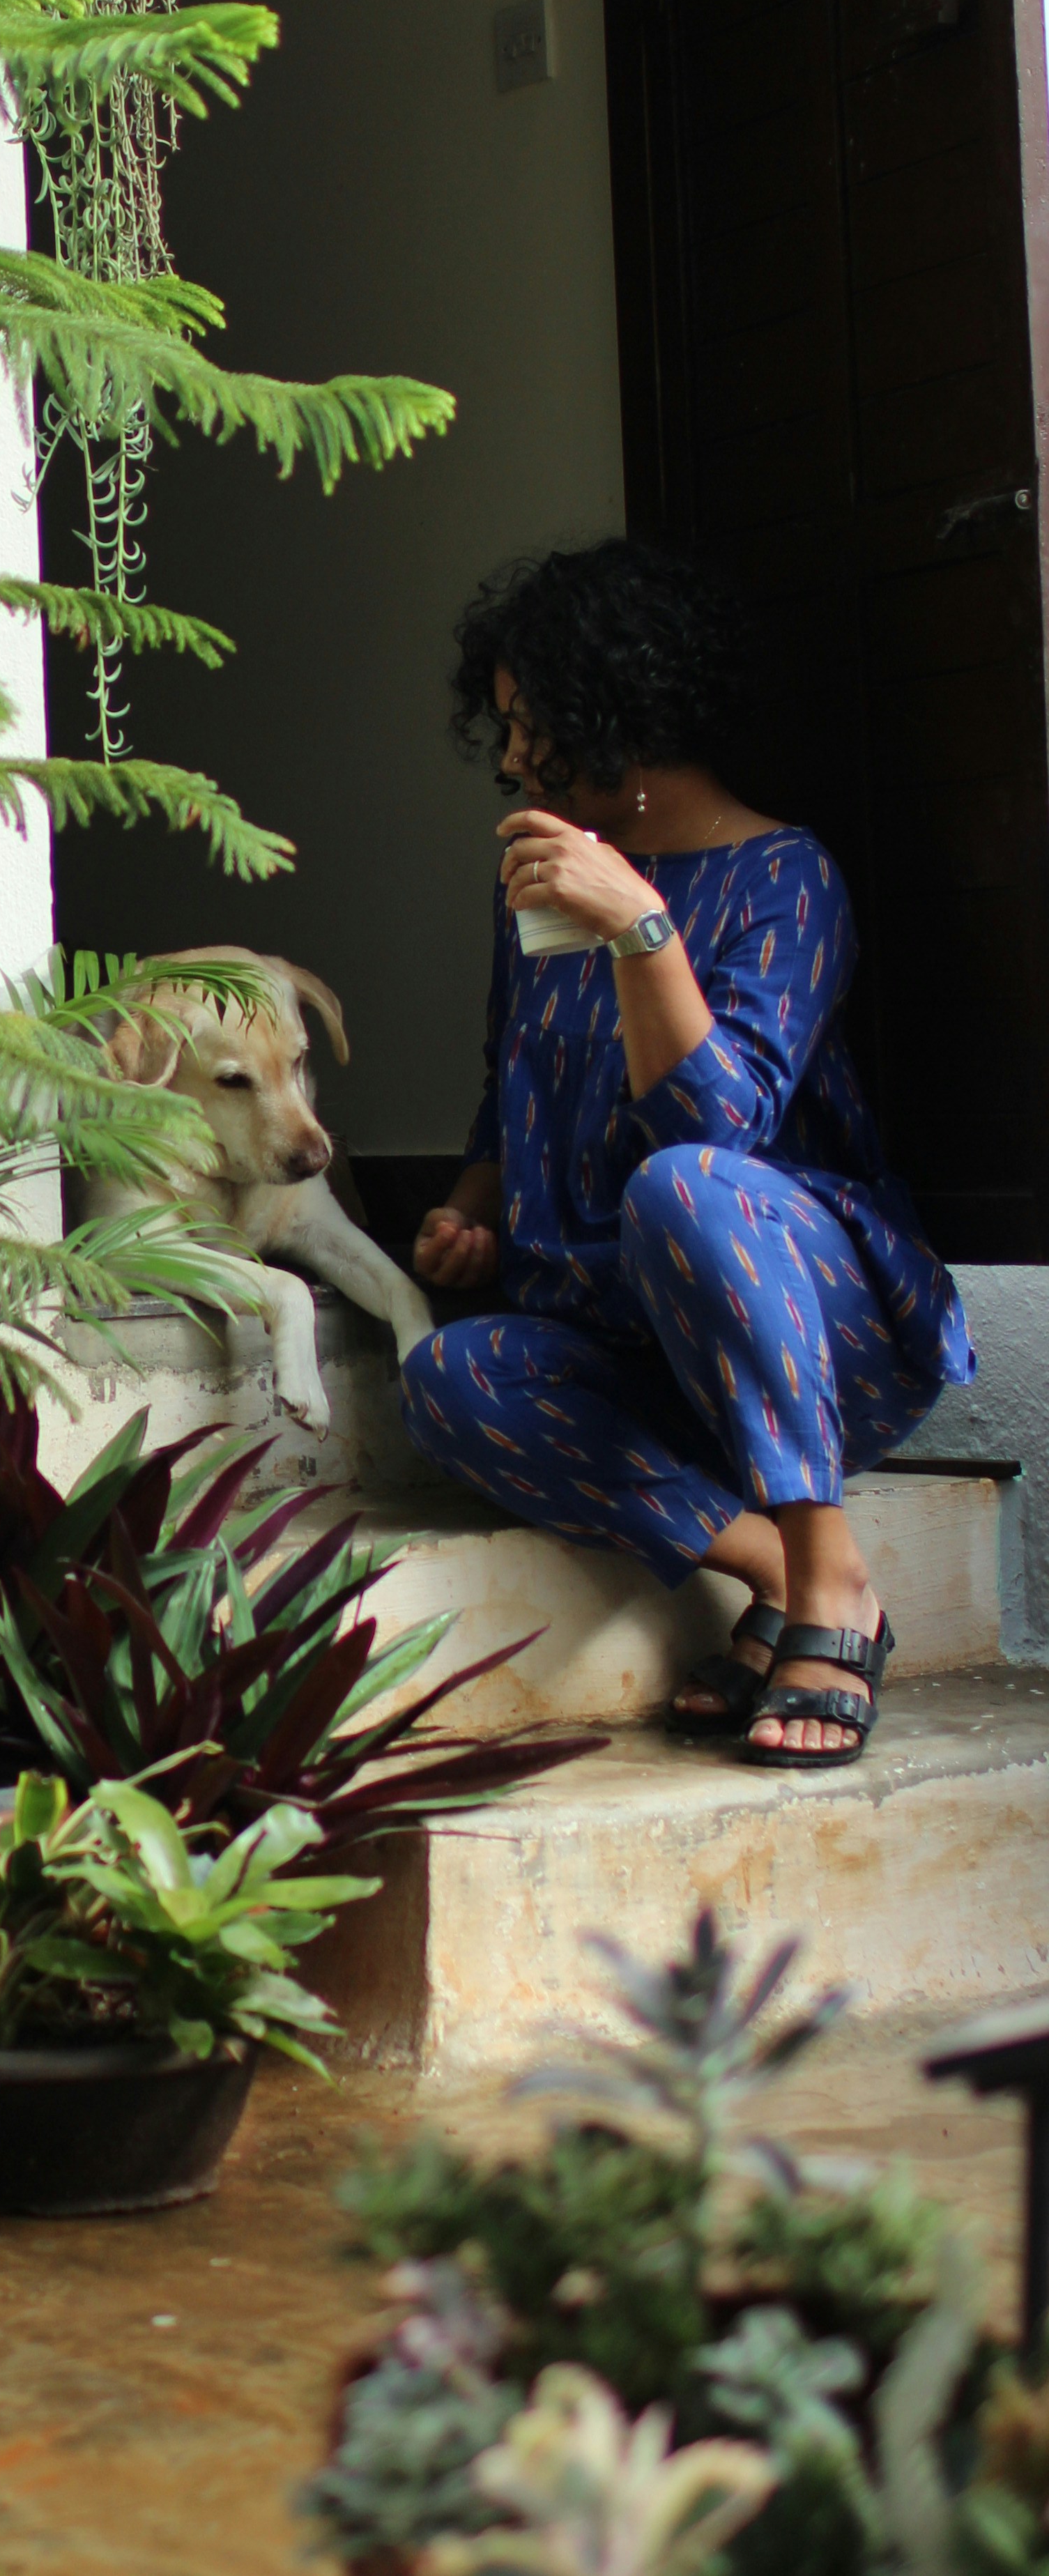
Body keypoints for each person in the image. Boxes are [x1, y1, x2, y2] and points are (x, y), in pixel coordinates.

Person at [400, 537, 973, 1770]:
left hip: (811, 1331)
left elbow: (719, 1131)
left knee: (688, 1185)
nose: (509, 757)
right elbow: (513, 1098)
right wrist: (469, 1214)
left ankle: (826, 1584)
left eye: (531, 722)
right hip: (633, 1343)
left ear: (623, 716)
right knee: (450, 1377)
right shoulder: (551, 889)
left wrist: (642, 930)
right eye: (501, 728)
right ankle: (774, 1563)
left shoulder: (786, 879)